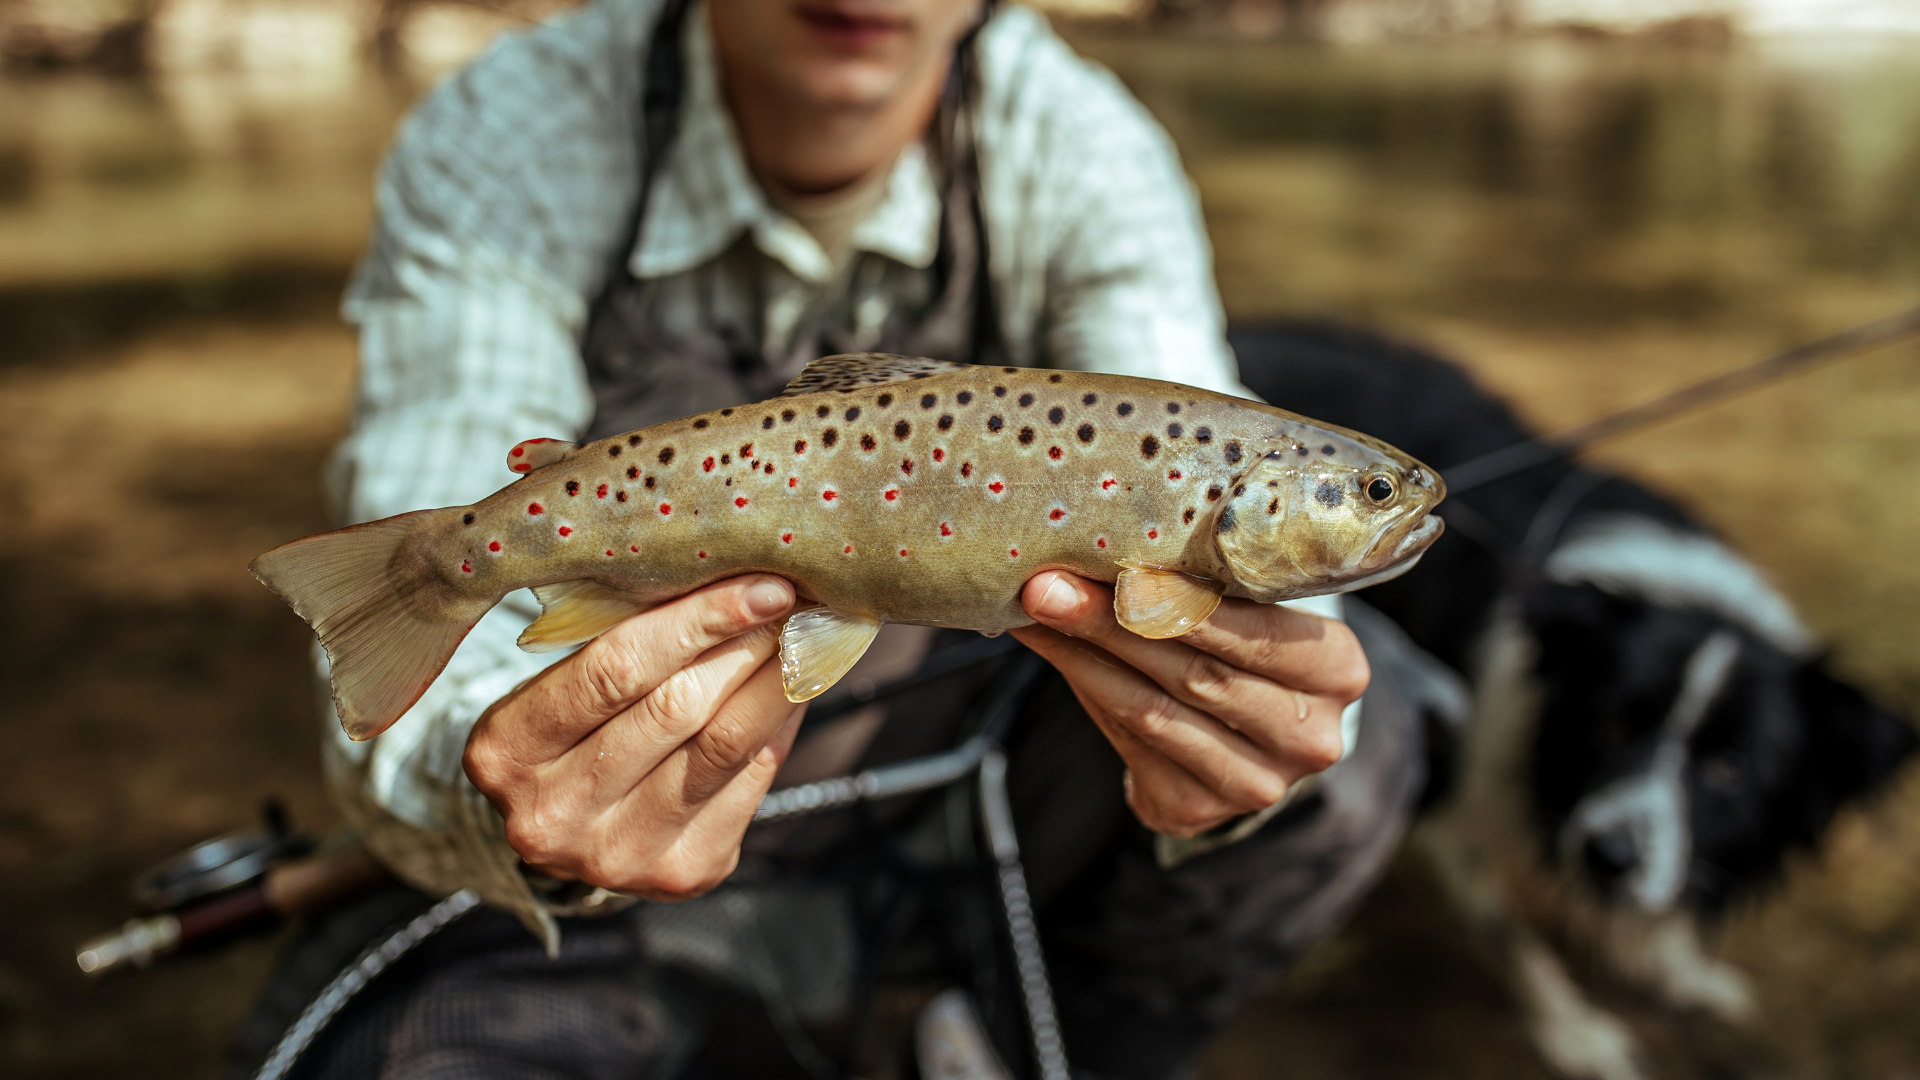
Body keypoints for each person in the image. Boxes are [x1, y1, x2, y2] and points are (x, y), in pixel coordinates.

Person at [241, 1, 1438, 1076]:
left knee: (1363, 731)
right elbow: (432, 639)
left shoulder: (1080, 148)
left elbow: (1185, 406)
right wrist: (514, 805)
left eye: (1373, 493)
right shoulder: (520, 129)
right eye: (1374, 494)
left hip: (945, 774)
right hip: (622, 791)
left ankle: (978, 1046)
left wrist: (1246, 740)